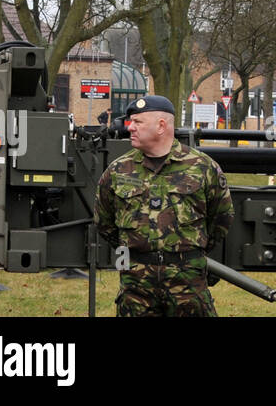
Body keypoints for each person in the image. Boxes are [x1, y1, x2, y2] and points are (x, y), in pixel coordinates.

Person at [94, 95, 234, 317]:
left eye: (138, 122)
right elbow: (105, 222)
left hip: (187, 283)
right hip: (136, 286)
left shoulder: (202, 168)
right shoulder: (118, 171)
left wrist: (188, 253)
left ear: (161, 126)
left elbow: (221, 219)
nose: (130, 128)